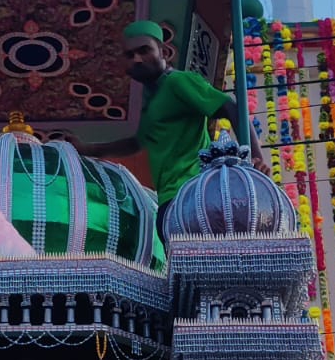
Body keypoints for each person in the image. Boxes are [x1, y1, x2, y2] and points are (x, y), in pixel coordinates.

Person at [76, 20, 267, 234]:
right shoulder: (153, 100)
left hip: (194, 193)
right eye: (129, 55)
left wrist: (255, 159)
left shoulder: (178, 82)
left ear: (164, 52)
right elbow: (137, 142)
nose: (137, 59)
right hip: (171, 199)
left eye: (144, 50)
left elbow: (230, 106)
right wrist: (88, 150)